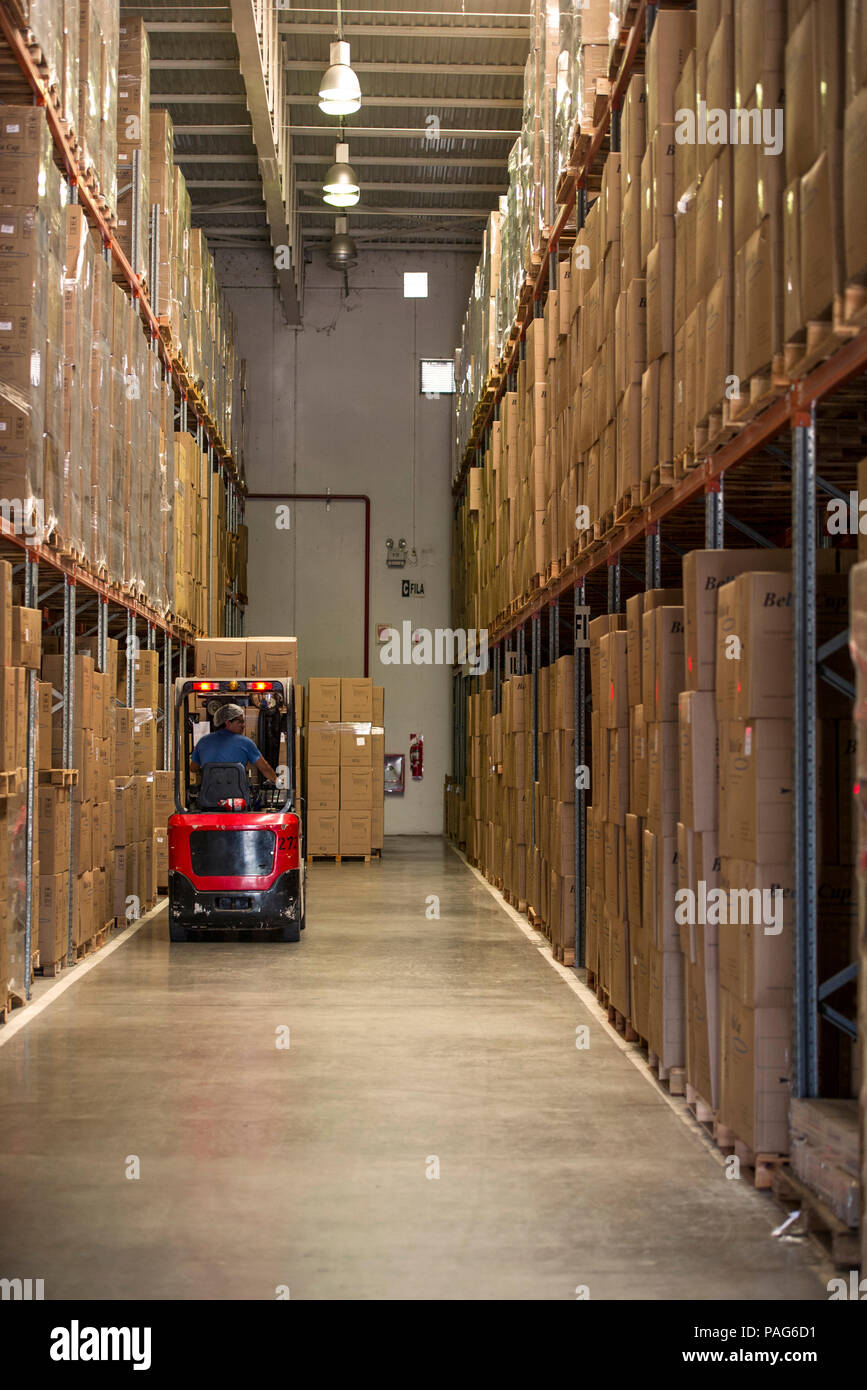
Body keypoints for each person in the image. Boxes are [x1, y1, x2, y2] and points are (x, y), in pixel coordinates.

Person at [190, 702, 279, 785]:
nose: (243, 725)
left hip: (208, 798)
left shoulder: (203, 741)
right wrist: (276, 781)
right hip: (238, 798)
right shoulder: (246, 743)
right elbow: (265, 768)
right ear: (228, 722)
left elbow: (193, 768)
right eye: (240, 721)